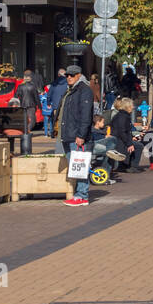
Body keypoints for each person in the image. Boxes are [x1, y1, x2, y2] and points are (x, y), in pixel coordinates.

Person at [59, 65, 95, 207]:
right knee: (76, 166)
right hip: (69, 134)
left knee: (80, 166)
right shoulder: (71, 91)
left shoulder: (84, 91)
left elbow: (86, 115)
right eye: (67, 75)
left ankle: (82, 196)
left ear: (79, 75)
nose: (69, 77)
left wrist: (81, 135)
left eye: (72, 75)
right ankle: (79, 194)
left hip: (77, 136)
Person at [108, 96, 142, 172]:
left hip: (120, 139)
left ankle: (125, 165)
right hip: (118, 141)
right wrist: (129, 144)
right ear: (128, 107)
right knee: (139, 146)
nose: (133, 107)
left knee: (136, 144)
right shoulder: (122, 117)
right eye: (131, 106)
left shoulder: (122, 115)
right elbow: (122, 132)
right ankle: (132, 166)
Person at [16, 69, 39, 144]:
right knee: (32, 120)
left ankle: (25, 131)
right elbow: (36, 97)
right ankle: (27, 132)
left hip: (23, 106)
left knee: (25, 120)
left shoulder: (20, 86)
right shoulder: (33, 86)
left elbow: (16, 96)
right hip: (31, 105)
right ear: (30, 77)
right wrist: (39, 105)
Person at [45, 68, 68, 138]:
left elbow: (49, 94)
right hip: (65, 104)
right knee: (64, 119)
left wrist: (48, 103)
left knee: (56, 119)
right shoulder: (68, 83)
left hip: (55, 105)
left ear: (58, 75)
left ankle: (55, 133)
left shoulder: (54, 83)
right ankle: (63, 133)